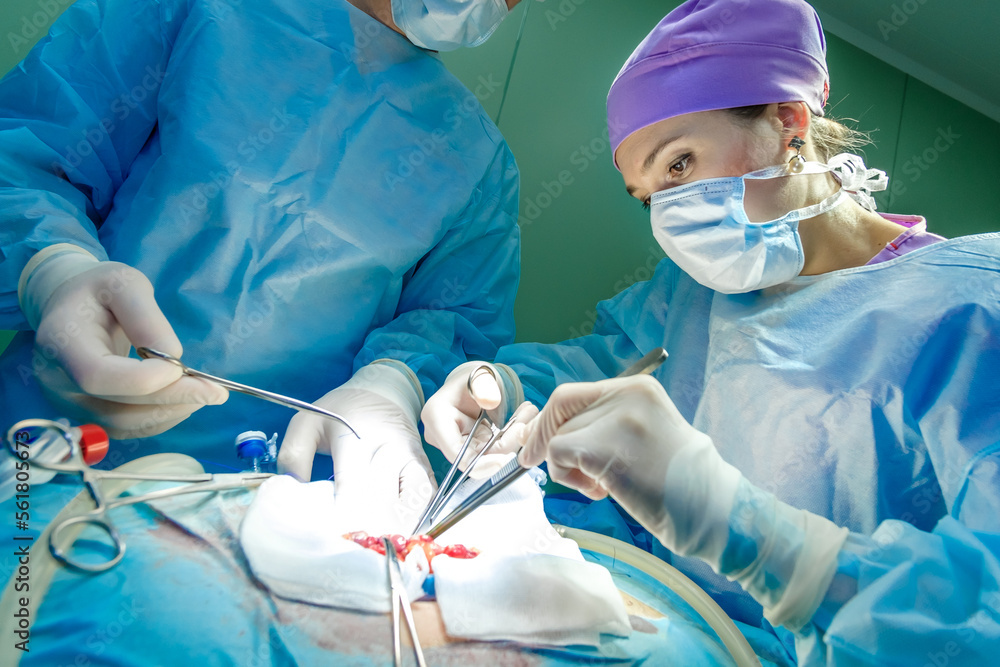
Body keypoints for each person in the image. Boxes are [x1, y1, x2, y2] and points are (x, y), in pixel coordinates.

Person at [421, 0, 1000, 664]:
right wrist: (497, 386)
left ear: (788, 119)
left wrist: (762, 540)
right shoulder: (693, 302)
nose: (669, 216)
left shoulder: (975, 300)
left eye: (680, 165)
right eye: (647, 198)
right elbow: (594, 369)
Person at [0, 0, 530, 523]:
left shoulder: (477, 161)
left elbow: (449, 322)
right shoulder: (193, 12)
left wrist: (391, 383)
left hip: (271, 504)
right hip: (47, 449)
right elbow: (25, 160)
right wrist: (54, 271)